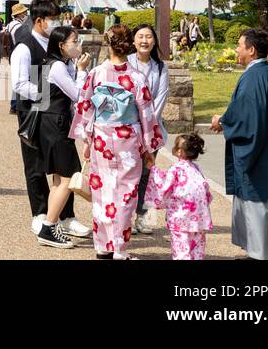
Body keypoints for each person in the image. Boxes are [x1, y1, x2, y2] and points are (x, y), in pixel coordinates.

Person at [70, 24, 163, 259]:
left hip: (101, 137)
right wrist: (150, 147)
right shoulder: (137, 77)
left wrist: (87, 141)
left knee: (102, 193)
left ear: (107, 44)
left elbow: (84, 107)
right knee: (126, 194)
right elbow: (147, 114)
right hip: (128, 141)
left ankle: (103, 246)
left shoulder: (96, 74)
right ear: (129, 44)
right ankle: (119, 249)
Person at [210, 28, 268, 260]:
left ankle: (259, 256)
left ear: (251, 50)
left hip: (257, 156)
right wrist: (228, 120)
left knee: (256, 209)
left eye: (239, 45)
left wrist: (222, 122)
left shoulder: (252, 78)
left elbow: (247, 118)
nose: (236, 50)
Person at [11, 0, 90, 240]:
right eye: (52, 18)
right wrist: (45, 94)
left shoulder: (59, 46)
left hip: (56, 112)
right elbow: (19, 84)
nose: (56, 22)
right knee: (36, 165)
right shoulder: (24, 47)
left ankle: (66, 217)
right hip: (33, 112)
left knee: (62, 168)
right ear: (39, 21)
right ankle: (40, 213)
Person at [34, 24, 91, 248]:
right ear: (61, 45)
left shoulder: (53, 63)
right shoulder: (58, 66)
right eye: (74, 42)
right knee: (68, 178)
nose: (78, 45)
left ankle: (51, 224)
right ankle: (48, 228)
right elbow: (78, 95)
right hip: (56, 125)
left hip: (51, 124)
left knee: (59, 179)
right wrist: (83, 70)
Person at [148, 132, 214, 260]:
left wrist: (152, 168)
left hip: (181, 216)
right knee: (197, 248)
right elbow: (206, 193)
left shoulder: (176, 168)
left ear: (179, 152)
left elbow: (163, 185)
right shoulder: (197, 169)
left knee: (181, 250)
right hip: (200, 216)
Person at [130, 23, 169, 235]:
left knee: (145, 173)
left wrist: (146, 126)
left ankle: (141, 216)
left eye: (148, 37)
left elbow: (161, 99)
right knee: (128, 173)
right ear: (134, 41)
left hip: (151, 129)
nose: (144, 40)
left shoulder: (161, 67)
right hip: (128, 128)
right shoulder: (125, 63)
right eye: (140, 36)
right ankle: (125, 217)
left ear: (154, 41)